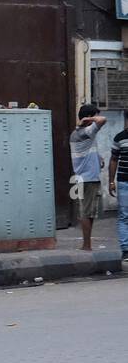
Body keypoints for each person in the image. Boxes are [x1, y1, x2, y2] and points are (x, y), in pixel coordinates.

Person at [70, 103, 107, 251]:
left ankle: (87, 244)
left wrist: (98, 158)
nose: (96, 118)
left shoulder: (77, 133)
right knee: (86, 212)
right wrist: (89, 120)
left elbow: (86, 150)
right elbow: (103, 120)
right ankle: (86, 246)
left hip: (84, 177)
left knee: (89, 212)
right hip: (88, 178)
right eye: (94, 115)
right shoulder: (86, 132)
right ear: (89, 117)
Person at [109, 114, 128, 259]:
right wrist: (111, 181)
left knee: (124, 217)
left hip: (123, 182)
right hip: (124, 182)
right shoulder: (119, 137)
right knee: (124, 216)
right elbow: (114, 159)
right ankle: (125, 249)